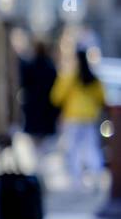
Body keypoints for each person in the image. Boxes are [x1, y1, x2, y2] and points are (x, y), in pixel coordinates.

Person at [51, 46, 108, 191]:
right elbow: (102, 97)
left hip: (73, 117)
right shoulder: (93, 78)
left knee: (74, 149)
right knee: (90, 148)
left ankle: (76, 180)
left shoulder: (70, 77)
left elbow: (56, 97)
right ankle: (96, 175)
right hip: (89, 117)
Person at [18, 38, 59, 158]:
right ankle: (40, 161)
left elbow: (24, 83)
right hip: (46, 108)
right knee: (43, 142)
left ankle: (38, 161)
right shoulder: (50, 67)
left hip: (35, 107)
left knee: (35, 141)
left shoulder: (31, 65)